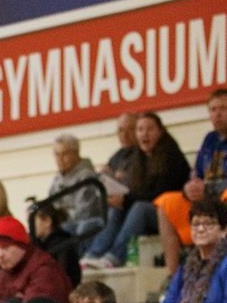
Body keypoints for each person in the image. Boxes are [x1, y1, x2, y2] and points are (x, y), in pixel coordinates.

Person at [81, 111, 190, 268]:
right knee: (117, 209)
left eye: (149, 129)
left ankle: (114, 257)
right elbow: (135, 191)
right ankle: (93, 255)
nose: (144, 134)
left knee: (140, 208)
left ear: (160, 132)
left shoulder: (171, 156)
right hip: (149, 211)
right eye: (140, 130)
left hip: (169, 214)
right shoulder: (137, 158)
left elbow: (159, 195)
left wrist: (126, 198)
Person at [156, 89, 227, 274]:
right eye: (213, 109)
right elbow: (196, 174)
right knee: (166, 202)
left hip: (223, 196)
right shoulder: (210, 139)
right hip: (206, 198)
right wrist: (189, 188)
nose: (217, 114)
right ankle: (172, 274)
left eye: (223, 108)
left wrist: (208, 188)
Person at [46, 133, 102, 236]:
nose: (60, 159)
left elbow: (85, 212)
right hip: (63, 223)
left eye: (64, 154)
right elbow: (51, 203)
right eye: (57, 154)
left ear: (76, 153)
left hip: (83, 225)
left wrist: (60, 214)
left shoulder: (86, 176)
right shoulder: (59, 177)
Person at [30, 204, 81, 290]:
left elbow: (62, 275)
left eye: (32, 221)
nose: (30, 227)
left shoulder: (63, 244)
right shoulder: (37, 244)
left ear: (47, 221)